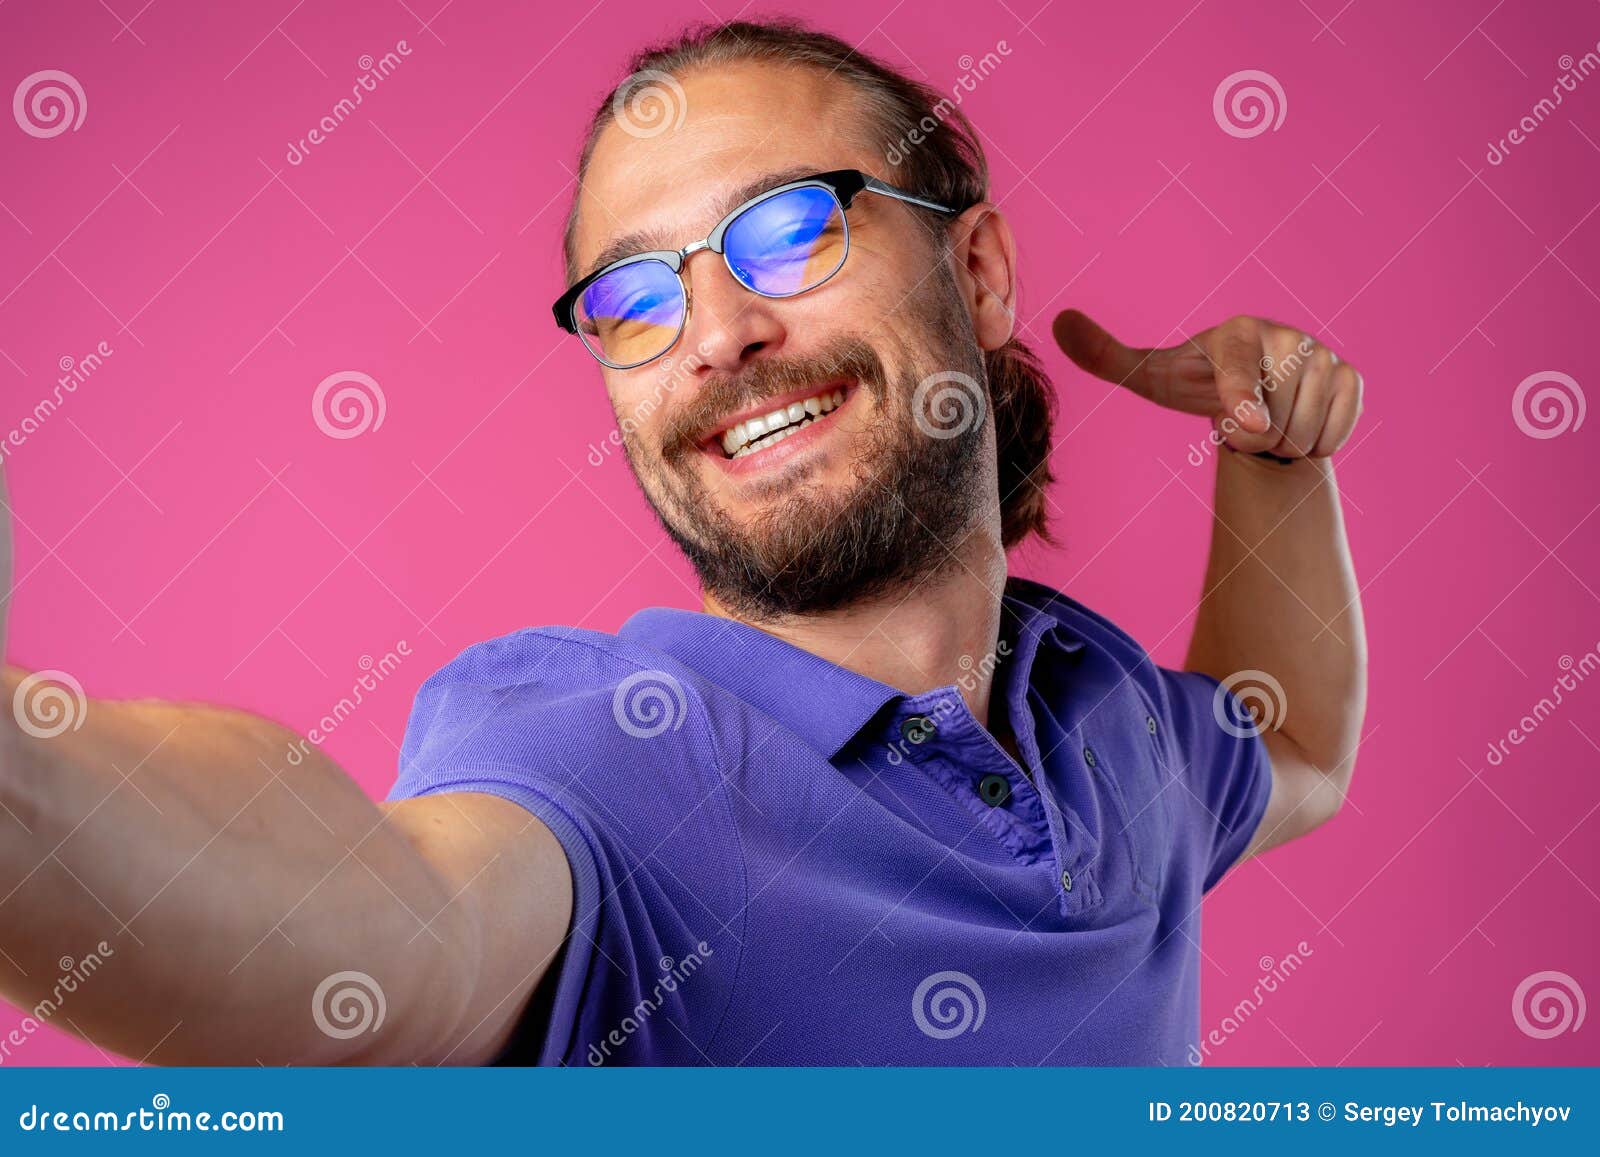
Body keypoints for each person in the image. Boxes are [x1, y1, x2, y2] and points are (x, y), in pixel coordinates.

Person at [0, 18, 1365, 1066]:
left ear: (981, 273)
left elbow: (1296, 746)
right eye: (635, 297)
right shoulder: (605, 759)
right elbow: (395, 922)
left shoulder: (1098, 711)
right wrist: (20, 787)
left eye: (789, 231)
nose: (717, 335)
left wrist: (1270, 448)